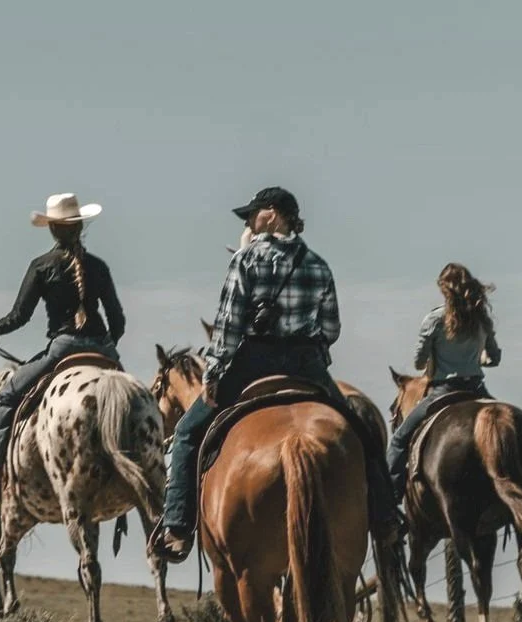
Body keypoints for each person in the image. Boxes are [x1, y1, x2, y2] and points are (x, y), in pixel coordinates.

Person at [152, 187, 397, 563]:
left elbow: (228, 325)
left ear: (272, 213)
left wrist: (215, 372)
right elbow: (331, 328)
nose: (248, 222)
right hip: (305, 364)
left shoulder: (246, 260)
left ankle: (177, 527)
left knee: (185, 433)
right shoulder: (317, 263)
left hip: (252, 361)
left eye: (252, 214)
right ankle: (385, 518)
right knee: (360, 428)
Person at [0, 192, 127, 490]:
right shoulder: (99, 266)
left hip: (63, 348)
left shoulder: (41, 266)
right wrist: (107, 348)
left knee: (6, 397)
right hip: (103, 348)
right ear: (80, 227)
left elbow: (19, 315)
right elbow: (117, 319)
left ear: (53, 229)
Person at [387, 263, 504, 496]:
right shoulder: (481, 317)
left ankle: (390, 504)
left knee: (399, 441)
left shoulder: (434, 319)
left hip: (444, 391)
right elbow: (494, 358)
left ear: (444, 289)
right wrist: (475, 358)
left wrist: (437, 356)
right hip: (477, 389)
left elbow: (419, 364)